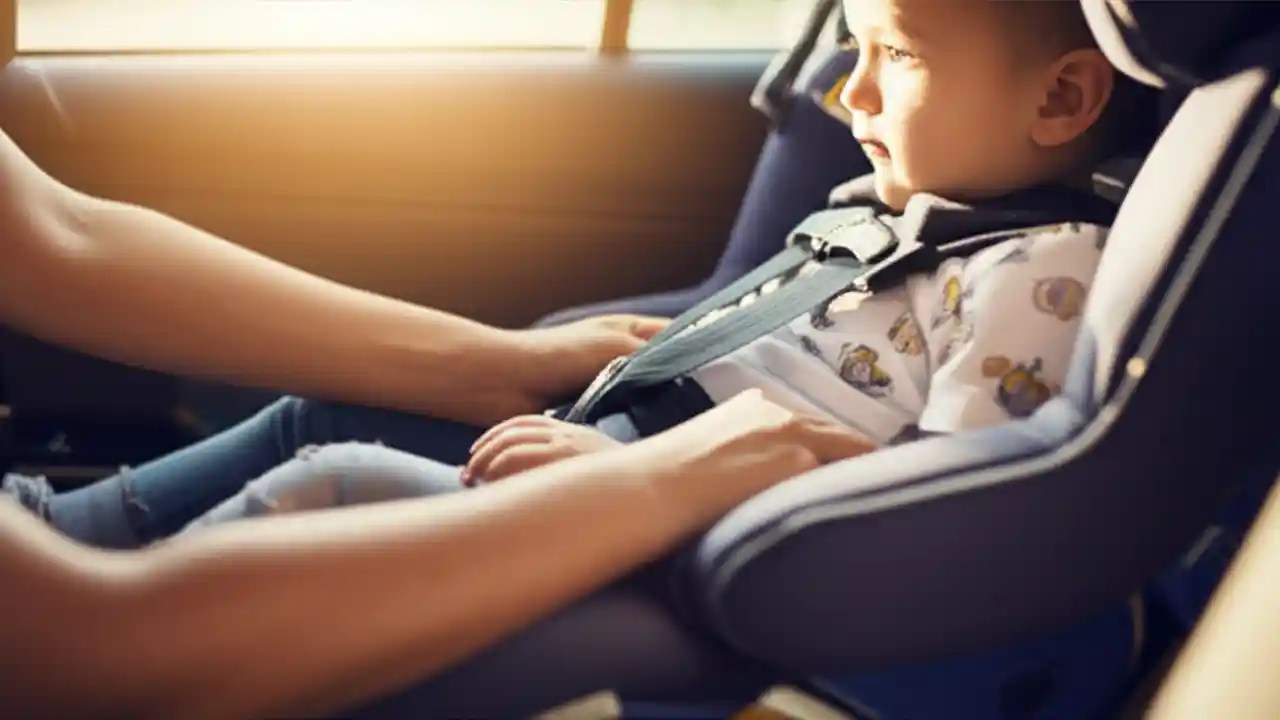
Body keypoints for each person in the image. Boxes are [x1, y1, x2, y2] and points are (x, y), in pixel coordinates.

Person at [181, 0, 1131, 530]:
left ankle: (80, 629)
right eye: (853, 45)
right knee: (323, 414)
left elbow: (935, 502)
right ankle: (58, 535)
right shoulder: (908, 218)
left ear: (1061, 98)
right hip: (629, 450)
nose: (851, 92)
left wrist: (645, 471)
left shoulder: (1044, 273)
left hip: (688, 510)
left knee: (331, 481)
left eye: (897, 53)